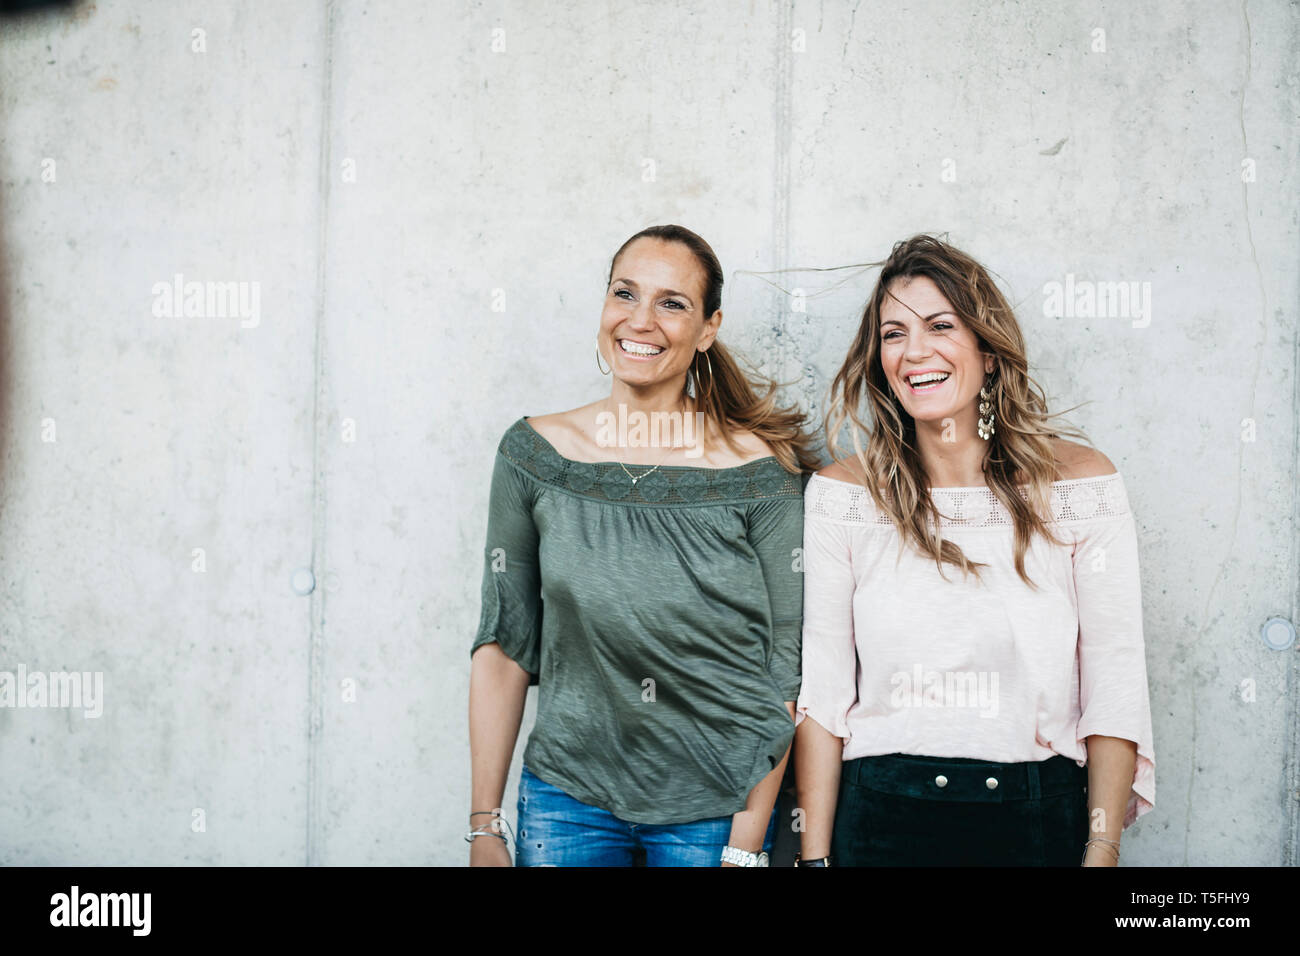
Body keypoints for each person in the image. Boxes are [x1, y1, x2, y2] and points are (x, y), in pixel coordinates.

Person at [793, 234, 1156, 867]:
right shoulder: (843, 495)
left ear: (988, 353)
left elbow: (1115, 684)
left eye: (940, 326)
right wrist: (814, 859)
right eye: (893, 334)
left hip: (1038, 818)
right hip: (879, 817)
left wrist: (1101, 851)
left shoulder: (1080, 487)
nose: (915, 352)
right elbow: (822, 695)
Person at [468, 224, 817, 866]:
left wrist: (744, 845)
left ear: (709, 329)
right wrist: (483, 825)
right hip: (565, 801)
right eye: (625, 293)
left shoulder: (760, 474)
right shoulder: (534, 455)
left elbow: (783, 672)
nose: (641, 319)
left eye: (672, 303)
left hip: (714, 809)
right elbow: (504, 645)